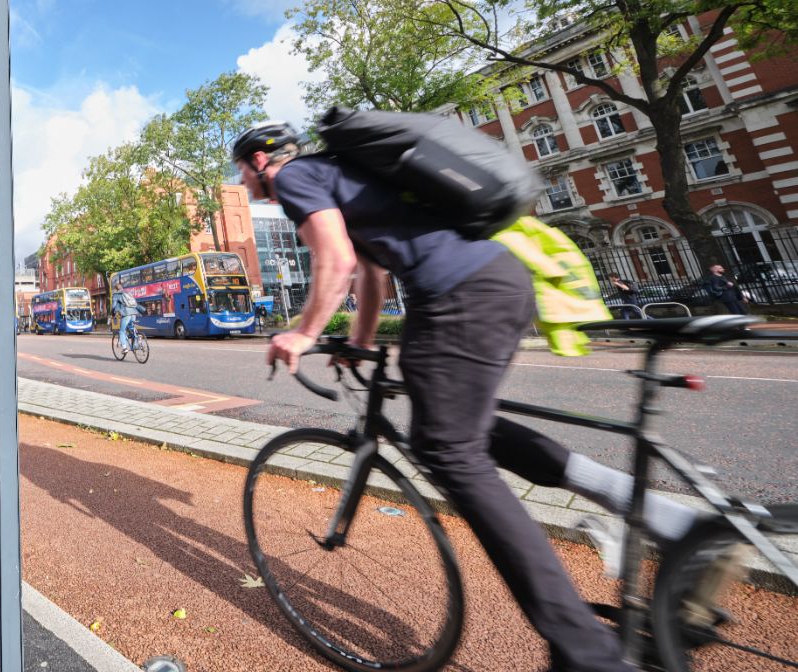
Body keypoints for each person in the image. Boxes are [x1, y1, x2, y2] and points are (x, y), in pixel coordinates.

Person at [236, 121, 699, 671]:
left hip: (458, 294)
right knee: (469, 432)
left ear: (261, 161)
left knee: (446, 450)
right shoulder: (338, 174)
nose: (242, 183)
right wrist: (358, 342)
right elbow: (371, 273)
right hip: (496, 280)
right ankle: (665, 518)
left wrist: (304, 333)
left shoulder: (297, 179)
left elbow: (334, 262)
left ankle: (588, 652)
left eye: (242, 171)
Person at [111, 282, 143, 354]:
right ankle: (136, 342)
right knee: (132, 329)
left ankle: (125, 348)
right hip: (134, 313)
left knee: (122, 331)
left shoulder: (116, 295)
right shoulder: (128, 293)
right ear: (122, 287)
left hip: (126, 313)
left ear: (116, 289)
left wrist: (113, 314)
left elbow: (113, 306)